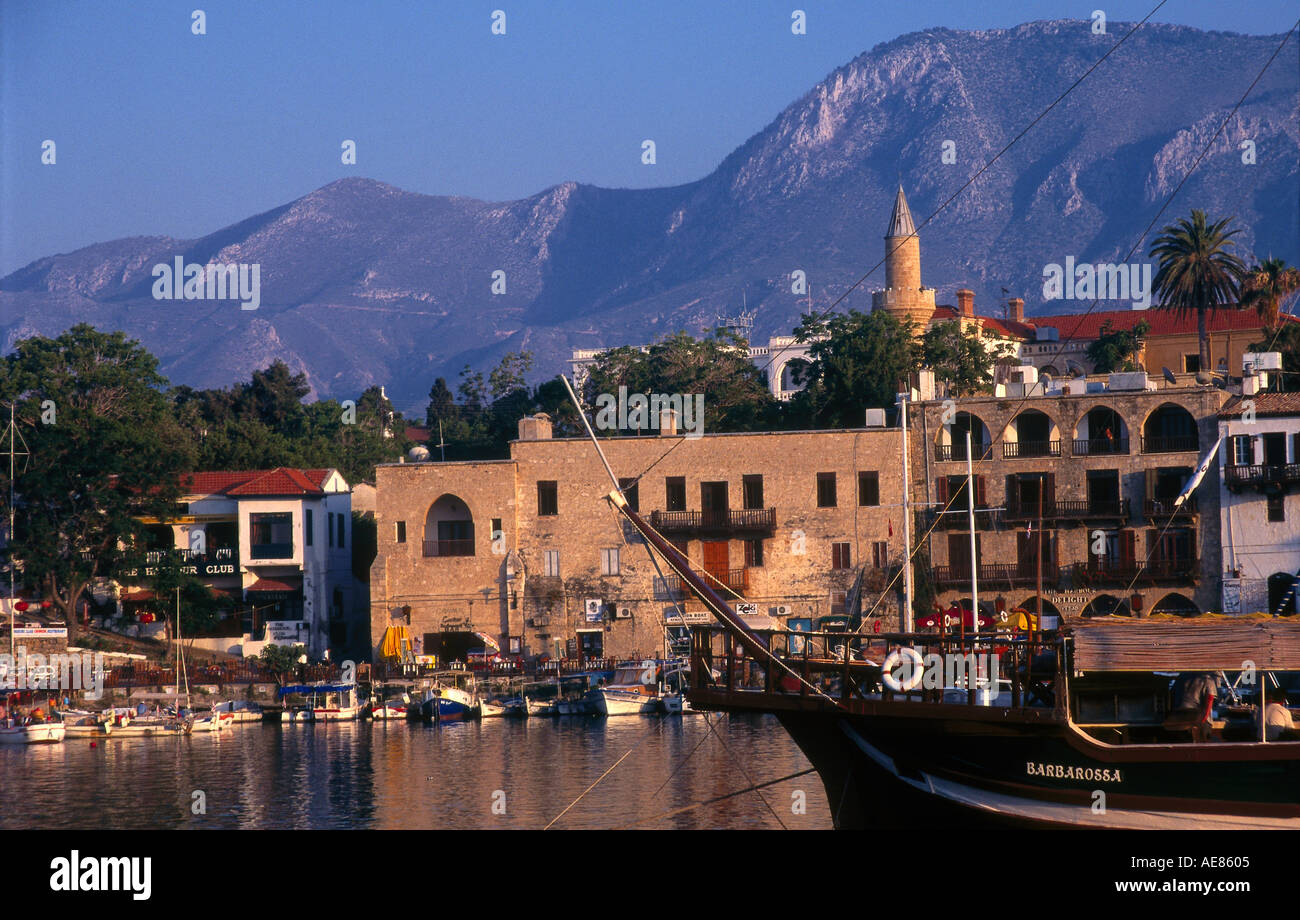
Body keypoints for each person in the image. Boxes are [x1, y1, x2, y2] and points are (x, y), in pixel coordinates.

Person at [1167, 672, 1218, 741]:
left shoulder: (1181, 677)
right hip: (1198, 720)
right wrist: (1202, 721)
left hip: (1178, 718)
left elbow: (1171, 696)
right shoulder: (1207, 679)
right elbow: (1209, 701)